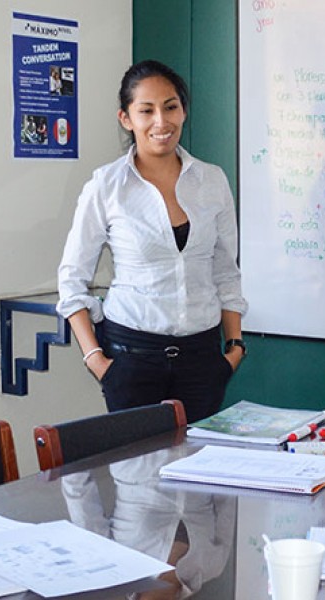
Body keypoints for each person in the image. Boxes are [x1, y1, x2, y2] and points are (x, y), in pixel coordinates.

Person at [57, 60, 247, 422]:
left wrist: (234, 348)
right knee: (135, 477)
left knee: (198, 475)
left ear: (184, 111)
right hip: (131, 358)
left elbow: (226, 271)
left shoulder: (212, 180)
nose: (162, 122)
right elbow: (71, 281)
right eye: (146, 110)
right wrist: (97, 362)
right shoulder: (106, 186)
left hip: (203, 361)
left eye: (171, 107)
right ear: (126, 119)